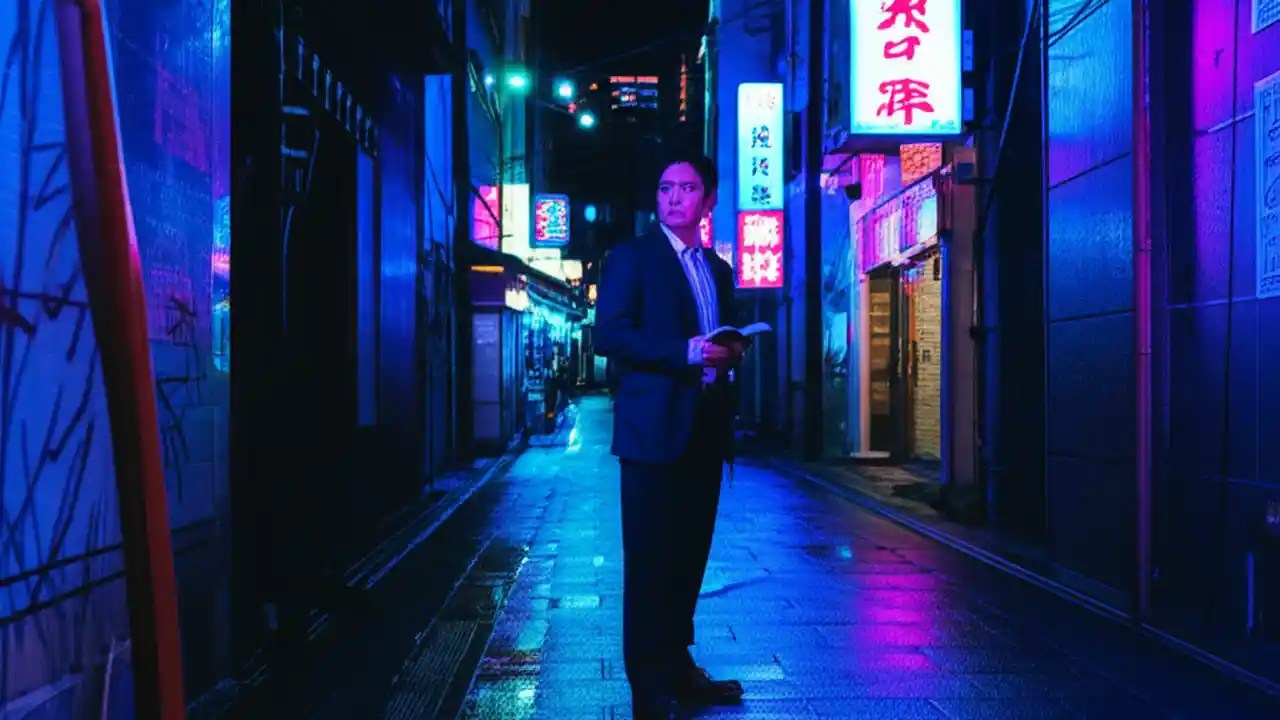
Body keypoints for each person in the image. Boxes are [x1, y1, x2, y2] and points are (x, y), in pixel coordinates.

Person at [594, 152, 748, 719]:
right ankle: (648, 684)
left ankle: (680, 667)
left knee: (689, 556)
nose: (674, 198)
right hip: (652, 432)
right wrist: (684, 352)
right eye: (665, 189)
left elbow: (721, 336)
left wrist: (730, 352)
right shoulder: (634, 258)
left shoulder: (718, 268)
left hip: (705, 428)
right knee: (651, 561)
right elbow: (608, 335)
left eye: (687, 189)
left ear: (708, 201)